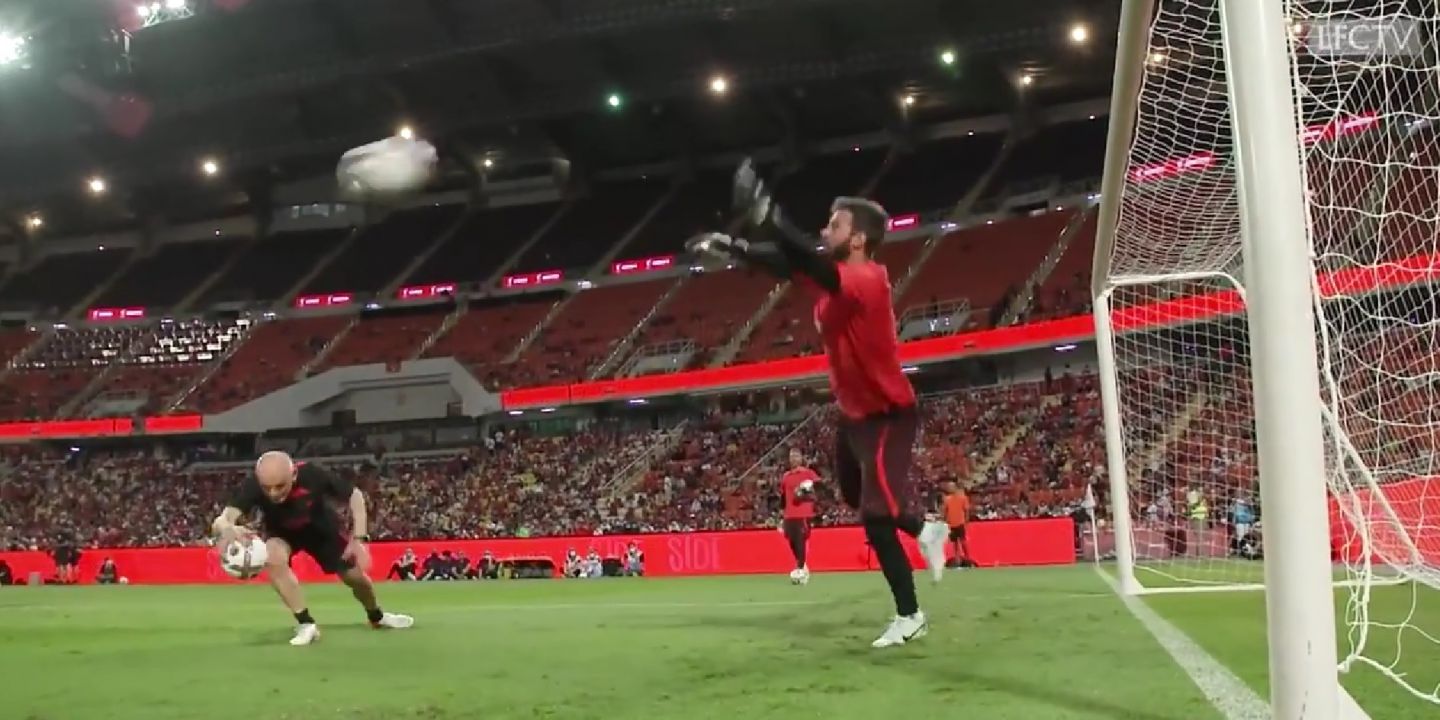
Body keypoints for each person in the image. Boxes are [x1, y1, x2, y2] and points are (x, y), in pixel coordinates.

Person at [690, 161, 948, 648]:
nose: (824, 229)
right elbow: (791, 263)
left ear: (856, 241)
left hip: (888, 414)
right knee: (858, 501)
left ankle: (910, 614)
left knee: (875, 512)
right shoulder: (832, 281)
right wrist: (736, 247)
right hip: (852, 417)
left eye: (835, 224)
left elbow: (806, 259)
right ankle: (925, 531)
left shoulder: (867, 278)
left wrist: (770, 215)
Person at [211, 451, 413, 646]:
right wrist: (228, 528)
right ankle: (306, 623)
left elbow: (355, 496)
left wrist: (359, 538)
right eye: (267, 488)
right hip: (282, 534)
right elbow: (222, 519)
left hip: (321, 532)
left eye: (280, 486)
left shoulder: (312, 474)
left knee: (355, 578)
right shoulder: (252, 485)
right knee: (273, 558)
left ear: (294, 474)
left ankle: (377, 616)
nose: (273, 493)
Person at [779, 448, 821, 585]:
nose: (793, 459)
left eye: (796, 456)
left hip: (803, 513)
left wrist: (804, 493)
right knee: (792, 542)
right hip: (789, 514)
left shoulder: (808, 474)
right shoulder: (786, 476)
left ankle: (800, 568)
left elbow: (819, 491)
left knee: (800, 540)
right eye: (791, 456)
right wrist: (781, 513)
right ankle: (802, 566)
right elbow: (783, 497)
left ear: (801, 458)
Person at [942, 481, 973, 568]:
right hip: (951, 524)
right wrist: (945, 521)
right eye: (948, 487)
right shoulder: (947, 499)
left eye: (951, 487)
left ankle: (968, 558)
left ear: (955, 488)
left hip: (960, 522)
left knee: (963, 541)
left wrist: (966, 520)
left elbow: (966, 510)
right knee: (955, 543)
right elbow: (945, 511)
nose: (949, 488)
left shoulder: (962, 498)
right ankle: (957, 559)